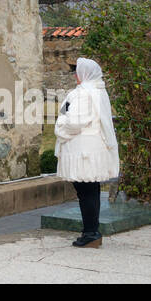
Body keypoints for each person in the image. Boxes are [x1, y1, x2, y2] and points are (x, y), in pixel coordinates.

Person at [54, 56, 120, 248]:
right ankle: (91, 231)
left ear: (85, 73)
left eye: (77, 71)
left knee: (87, 191)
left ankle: (91, 232)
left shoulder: (85, 93)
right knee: (90, 190)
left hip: (83, 152)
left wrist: (59, 126)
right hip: (90, 150)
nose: (75, 75)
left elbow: (73, 121)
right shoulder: (98, 91)